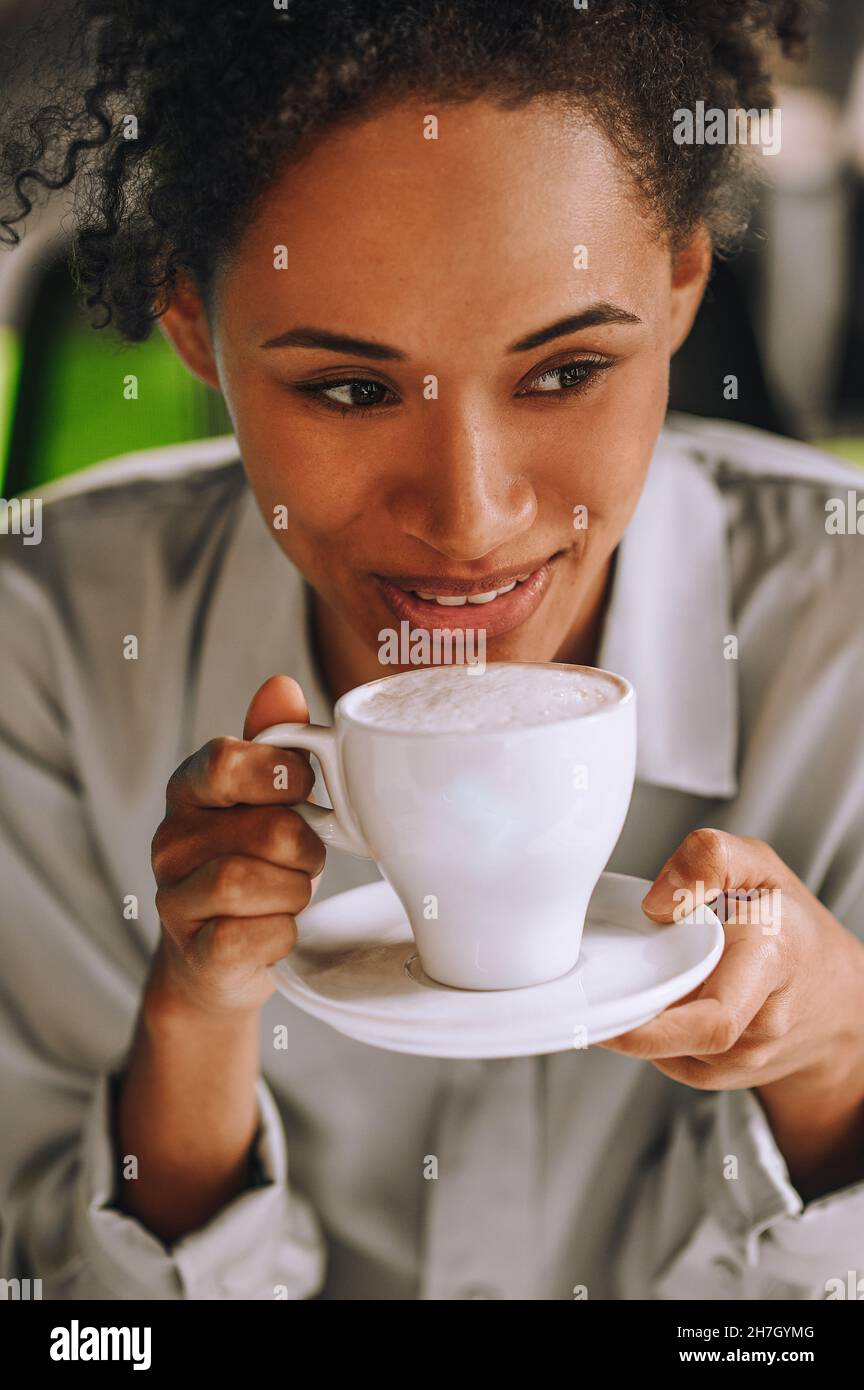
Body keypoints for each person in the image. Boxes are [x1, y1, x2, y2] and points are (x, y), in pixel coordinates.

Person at [1, 0, 863, 1302]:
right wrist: (193, 1019)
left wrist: (836, 1060)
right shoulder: (46, 646)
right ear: (191, 323)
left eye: (567, 368)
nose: (470, 518)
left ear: (684, 278)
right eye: (349, 390)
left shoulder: (844, 636)